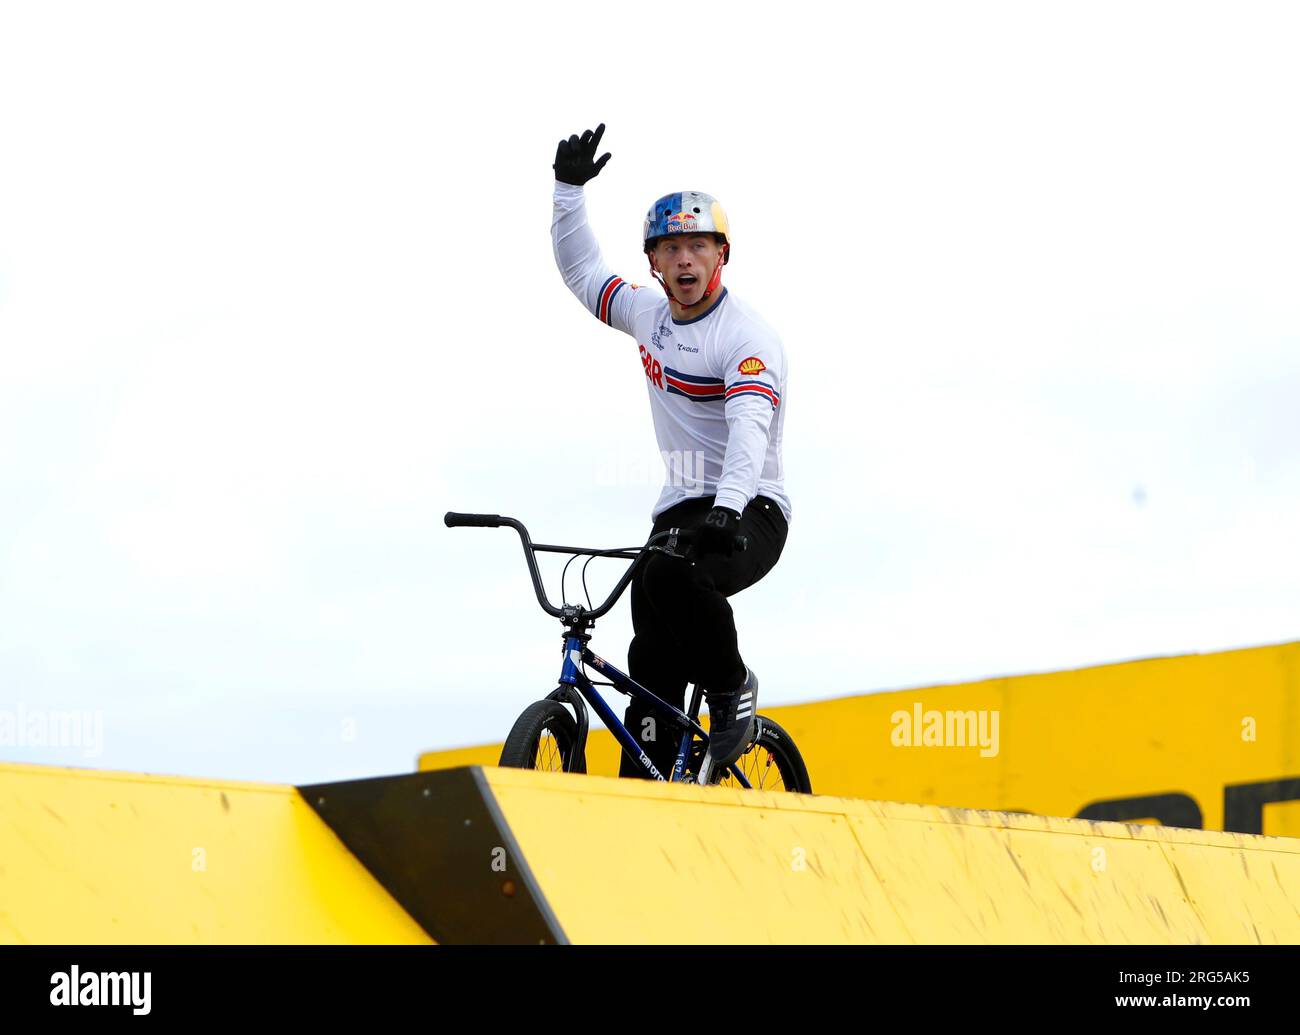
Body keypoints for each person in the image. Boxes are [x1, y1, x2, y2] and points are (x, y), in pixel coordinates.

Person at [551, 123, 791, 778]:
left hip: (752, 509)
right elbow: (581, 271)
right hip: (678, 510)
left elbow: (750, 430)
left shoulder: (745, 338)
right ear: (653, 262)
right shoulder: (646, 316)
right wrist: (568, 190)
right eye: (671, 249)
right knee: (649, 654)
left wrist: (731, 507)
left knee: (669, 576)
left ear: (722, 257)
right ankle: (646, 783)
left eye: (698, 247)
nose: (685, 261)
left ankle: (731, 686)